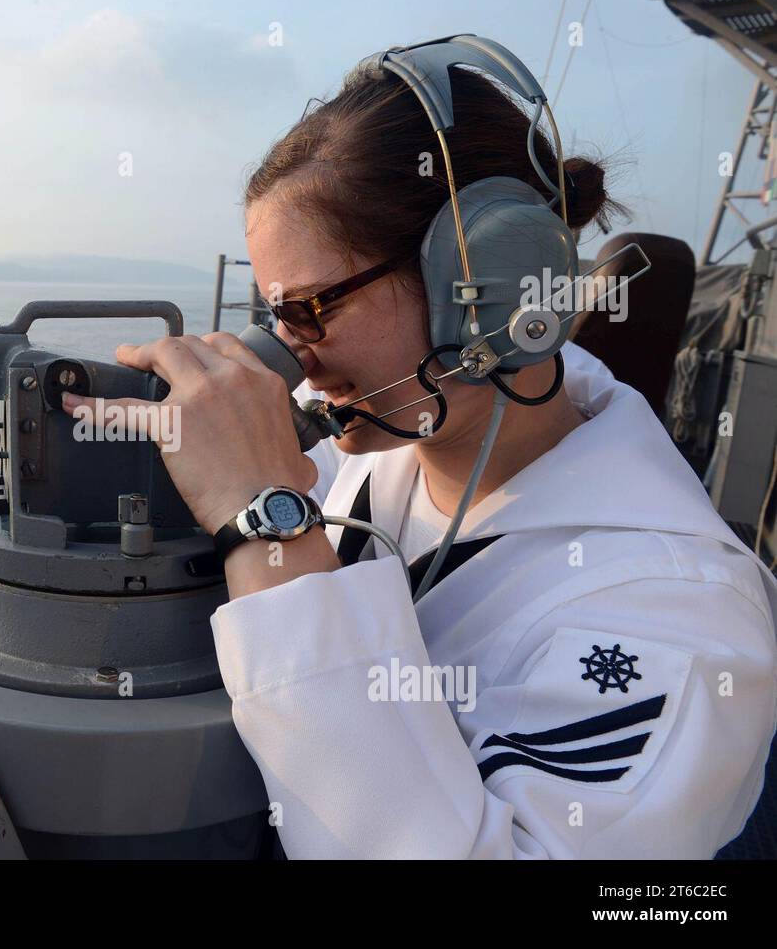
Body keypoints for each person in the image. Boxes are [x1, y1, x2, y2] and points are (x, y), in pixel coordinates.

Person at [61, 53, 777, 858]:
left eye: (310, 310)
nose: (292, 357)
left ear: (490, 288)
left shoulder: (671, 621)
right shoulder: (403, 423)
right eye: (273, 313)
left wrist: (266, 518)